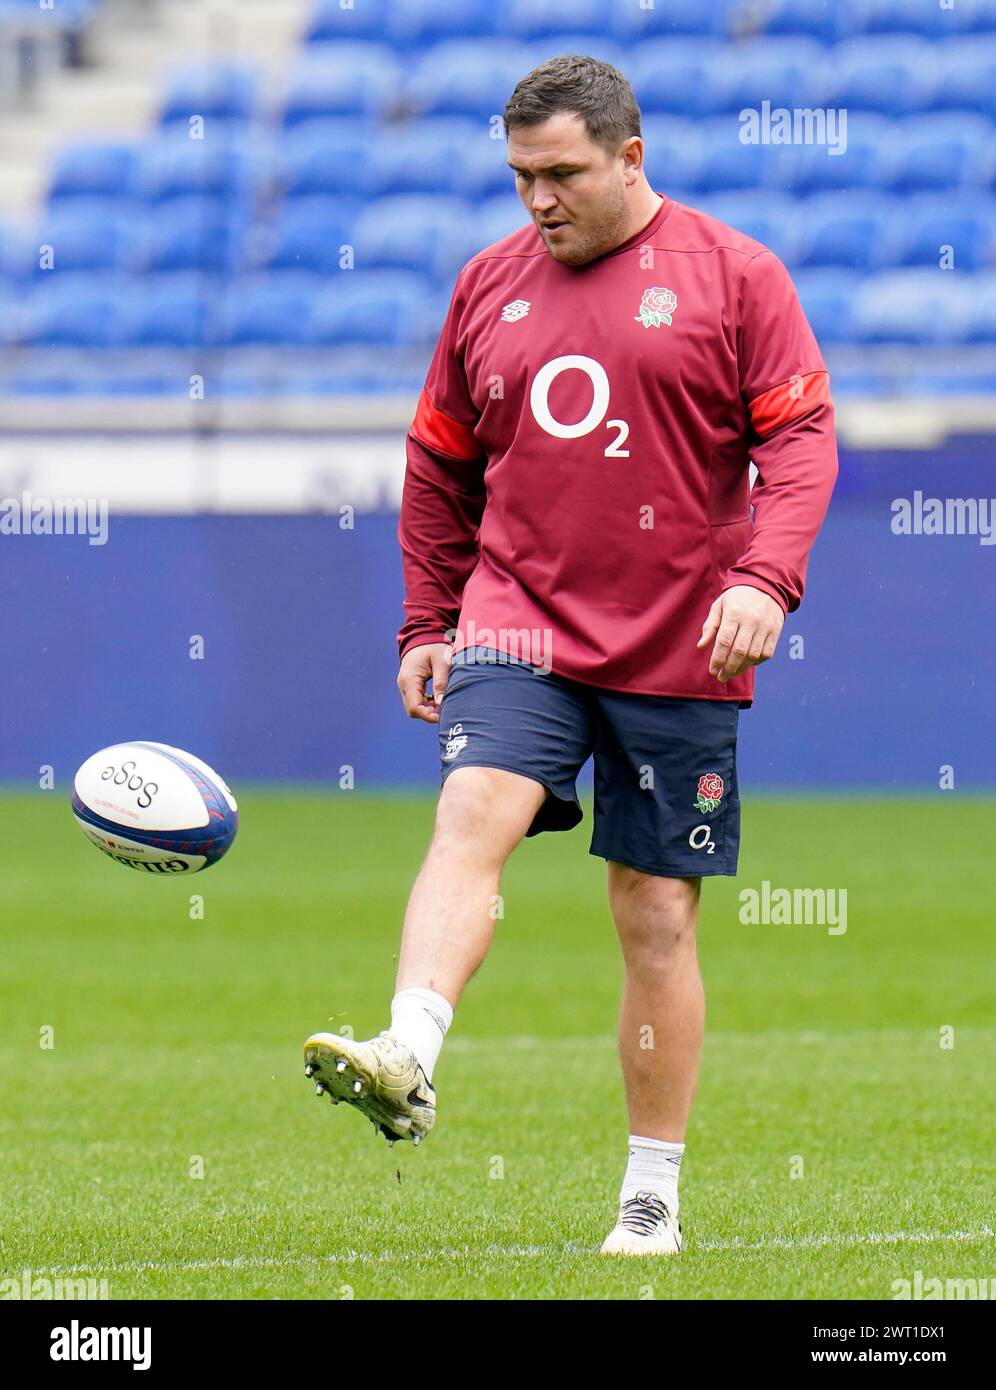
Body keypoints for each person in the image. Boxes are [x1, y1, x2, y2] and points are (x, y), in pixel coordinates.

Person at [304, 54, 838, 1256]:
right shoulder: (487, 284)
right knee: (472, 807)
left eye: (561, 174)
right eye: (518, 177)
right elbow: (440, 460)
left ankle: (651, 1192)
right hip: (518, 620)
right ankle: (410, 1050)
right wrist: (426, 619)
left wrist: (766, 579)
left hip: (680, 639)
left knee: (653, 912)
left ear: (630, 158)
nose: (538, 200)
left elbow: (800, 440)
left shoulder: (735, 276)